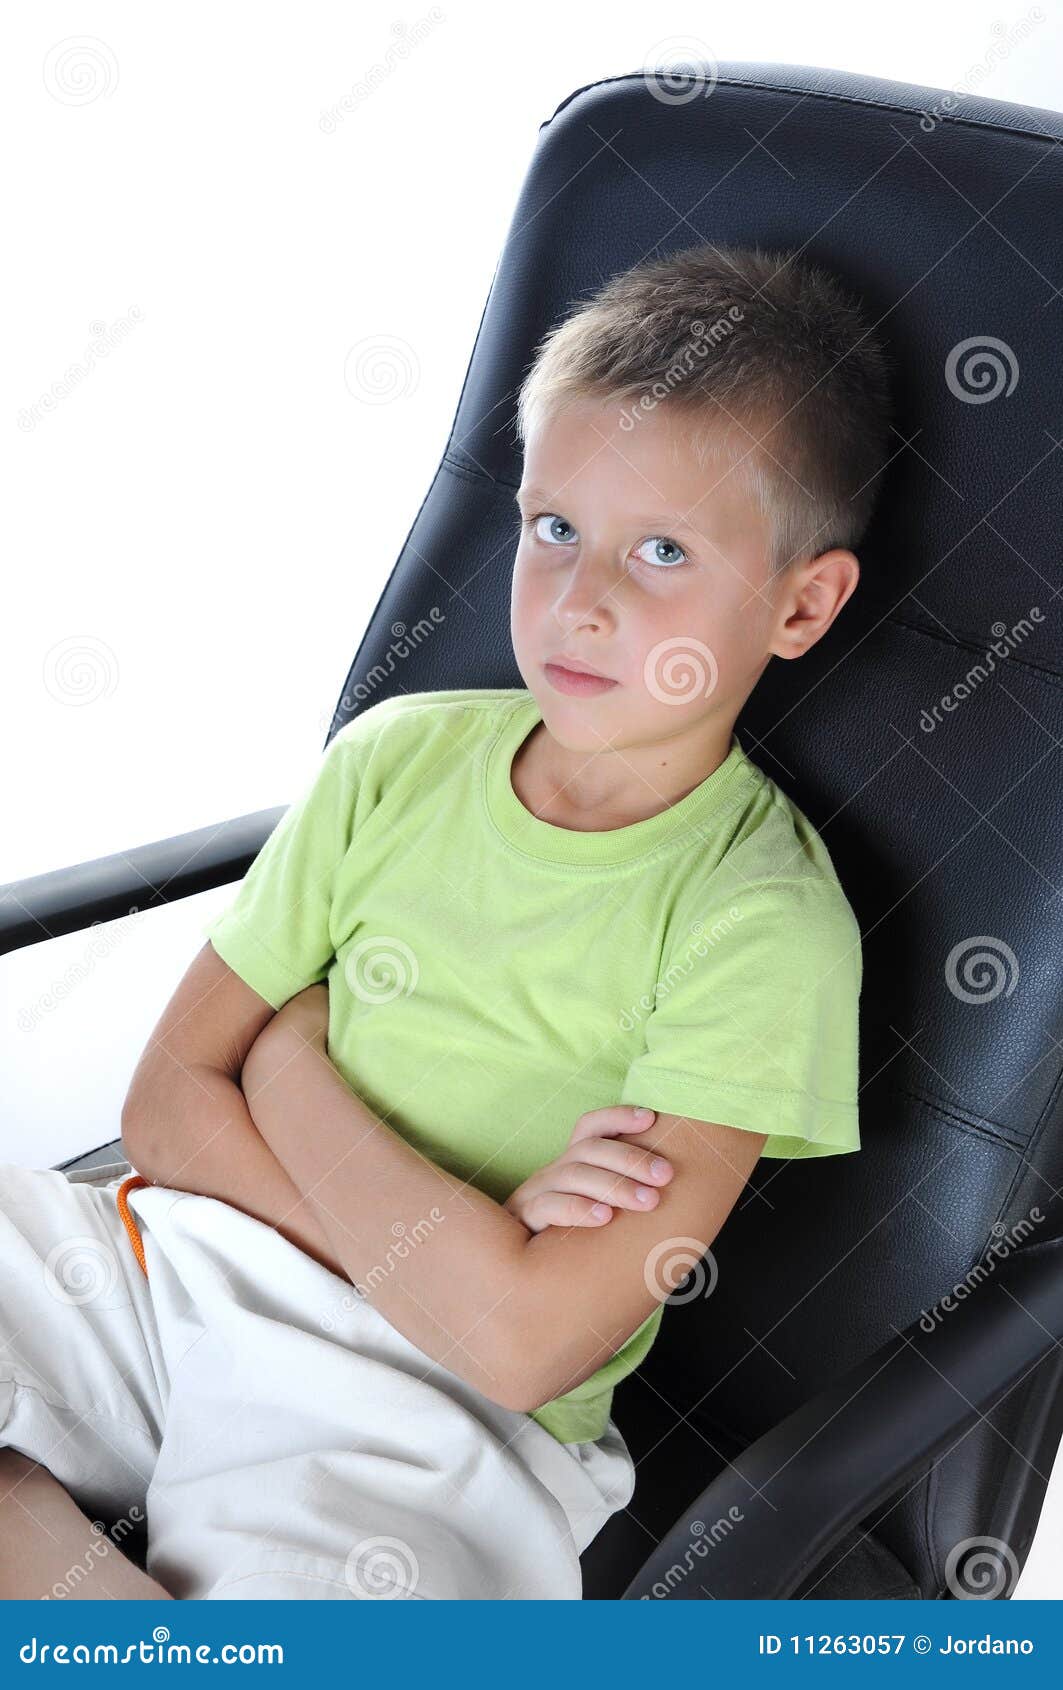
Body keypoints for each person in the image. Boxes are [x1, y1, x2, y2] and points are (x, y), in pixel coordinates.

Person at [0, 240, 893, 1599]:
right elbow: (167, 1105)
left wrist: (290, 1063)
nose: (582, 600)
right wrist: (459, 1246)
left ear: (801, 601)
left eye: (661, 549)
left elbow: (524, 1346)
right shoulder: (396, 759)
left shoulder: (759, 924)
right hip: (172, 1272)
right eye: (554, 530)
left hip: (425, 1416)